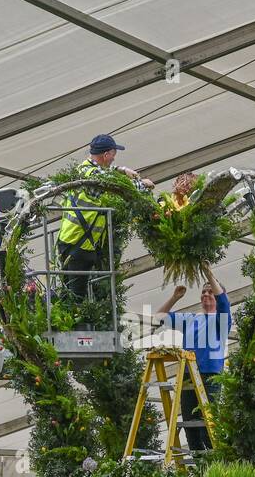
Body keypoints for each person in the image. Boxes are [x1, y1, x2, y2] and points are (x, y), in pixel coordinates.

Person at [56, 134, 154, 298]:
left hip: (77, 242)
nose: (114, 159)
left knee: (74, 291)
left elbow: (105, 173)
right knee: (76, 296)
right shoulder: (91, 174)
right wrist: (142, 184)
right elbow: (114, 185)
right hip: (78, 243)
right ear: (106, 154)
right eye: (113, 155)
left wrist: (121, 169)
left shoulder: (84, 168)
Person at [156, 268, 230, 451]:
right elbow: (158, 317)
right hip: (188, 375)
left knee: (208, 425)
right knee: (190, 425)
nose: (206, 294)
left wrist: (210, 276)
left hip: (210, 376)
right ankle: (199, 468)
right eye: (203, 291)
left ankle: (214, 465)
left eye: (210, 291)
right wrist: (174, 298)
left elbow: (223, 301)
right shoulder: (190, 318)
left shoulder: (222, 319)